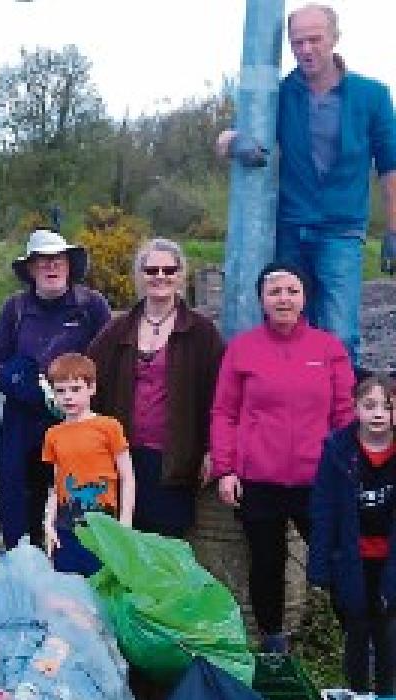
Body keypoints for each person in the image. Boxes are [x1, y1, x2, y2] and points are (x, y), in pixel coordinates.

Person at [217, 4, 396, 364]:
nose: (306, 50)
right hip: (290, 230)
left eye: (314, 40)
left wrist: (393, 229)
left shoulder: (371, 96)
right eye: (297, 42)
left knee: (340, 333)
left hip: (341, 233)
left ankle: (340, 417)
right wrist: (235, 142)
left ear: (334, 38)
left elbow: (390, 167)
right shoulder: (280, 96)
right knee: (287, 328)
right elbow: (226, 137)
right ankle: (291, 413)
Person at [209, 261, 355, 653]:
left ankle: (359, 639)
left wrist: (349, 470)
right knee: (267, 563)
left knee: (339, 558)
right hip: (259, 479)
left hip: (319, 481)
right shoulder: (242, 349)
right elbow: (224, 413)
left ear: (304, 298)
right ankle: (275, 644)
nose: (283, 299)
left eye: (292, 291)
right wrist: (225, 470)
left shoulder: (329, 349)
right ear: (262, 300)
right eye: (274, 292)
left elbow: (344, 414)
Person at [88, 238, 225, 537]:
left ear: (180, 275)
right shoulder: (118, 329)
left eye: (168, 269)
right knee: (126, 544)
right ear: (140, 275)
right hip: (123, 457)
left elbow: (220, 398)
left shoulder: (202, 332)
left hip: (175, 459)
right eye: (151, 270)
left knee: (166, 546)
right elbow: (90, 381)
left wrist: (213, 451)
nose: (160, 276)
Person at [0, 229, 111, 550]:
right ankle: (24, 566)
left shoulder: (91, 306)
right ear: (30, 269)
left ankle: (72, 568)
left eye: (58, 260)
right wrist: (19, 382)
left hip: (73, 420)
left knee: (75, 499)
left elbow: (109, 360)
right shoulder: (14, 308)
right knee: (18, 498)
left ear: (70, 265)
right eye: (42, 262)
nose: (51, 268)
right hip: (21, 420)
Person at [308, 372, 396, 696]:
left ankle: (387, 692)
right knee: (356, 630)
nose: (378, 413)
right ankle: (358, 692)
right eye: (369, 405)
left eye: (387, 407)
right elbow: (323, 511)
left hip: (390, 563)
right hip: (351, 562)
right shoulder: (337, 452)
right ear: (354, 408)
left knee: (388, 632)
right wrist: (319, 569)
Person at [41, 353, 135, 576]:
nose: (68, 397)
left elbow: (127, 477)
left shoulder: (109, 427)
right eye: (61, 391)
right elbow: (56, 483)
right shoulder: (53, 435)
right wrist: (48, 523)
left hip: (103, 527)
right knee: (68, 587)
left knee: (103, 584)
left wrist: (125, 522)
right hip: (66, 527)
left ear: (91, 388)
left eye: (75, 389)